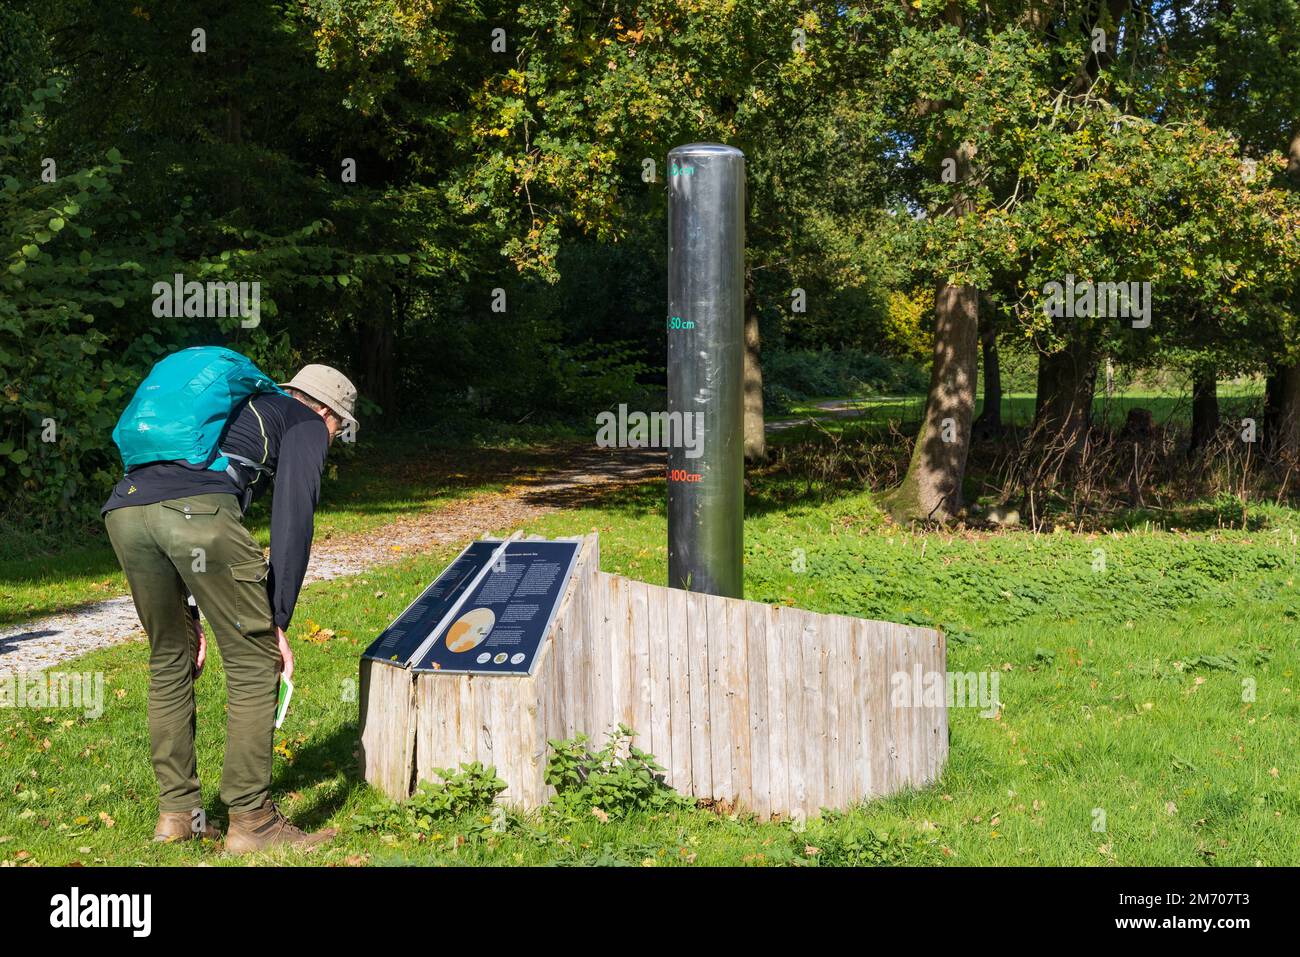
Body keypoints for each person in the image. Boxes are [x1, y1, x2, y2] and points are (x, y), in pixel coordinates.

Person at [103, 363, 358, 854]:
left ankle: (179, 815)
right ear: (326, 411)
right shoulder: (303, 421)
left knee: (169, 661)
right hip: (194, 513)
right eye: (339, 430)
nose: (333, 440)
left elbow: (183, 506)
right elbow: (293, 517)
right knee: (253, 662)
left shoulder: (236, 413)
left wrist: (191, 615)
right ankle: (254, 822)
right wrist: (276, 621)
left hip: (127, 511)